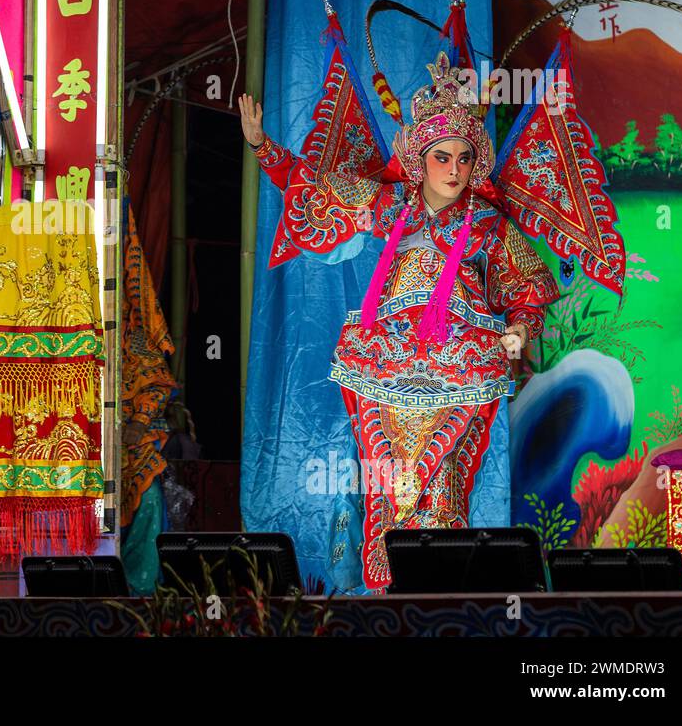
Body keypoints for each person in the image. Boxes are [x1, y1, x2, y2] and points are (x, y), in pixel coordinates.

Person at [238, 51, 559, 590]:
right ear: (420, 160)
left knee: (442, 489)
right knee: (390, 488)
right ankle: (397, 604)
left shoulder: (487, 227)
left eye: (462, 158)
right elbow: (319, 189)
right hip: (384, 366)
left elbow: (527, 293)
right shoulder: (390, 208)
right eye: (441, 158)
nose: (453, 170)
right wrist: (261, 147)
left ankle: (443, 602)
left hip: (461, 368)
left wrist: (520, 330)